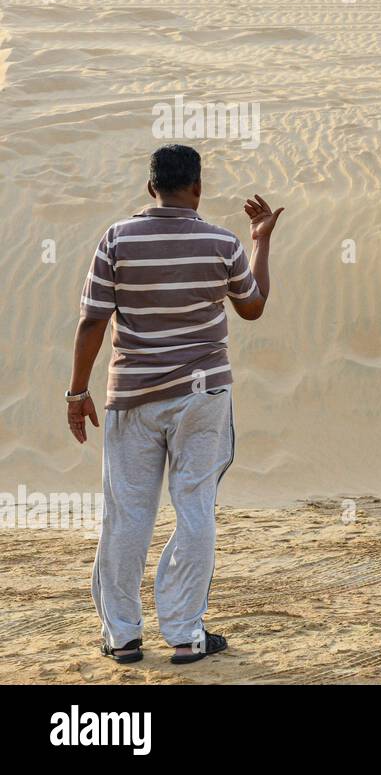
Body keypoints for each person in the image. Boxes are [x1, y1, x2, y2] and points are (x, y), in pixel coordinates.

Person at [66, 144, 284, 664]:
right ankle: (185, 633)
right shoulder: (221, 242)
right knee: (194, 509)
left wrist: (77, 392)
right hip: (203, 396)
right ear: (199, 189)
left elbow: (92, 321)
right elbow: (252, 308)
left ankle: (121, 636)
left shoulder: (116, 239)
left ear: (150, 188)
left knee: (126, 515)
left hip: (133, 397)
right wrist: (260, 243)